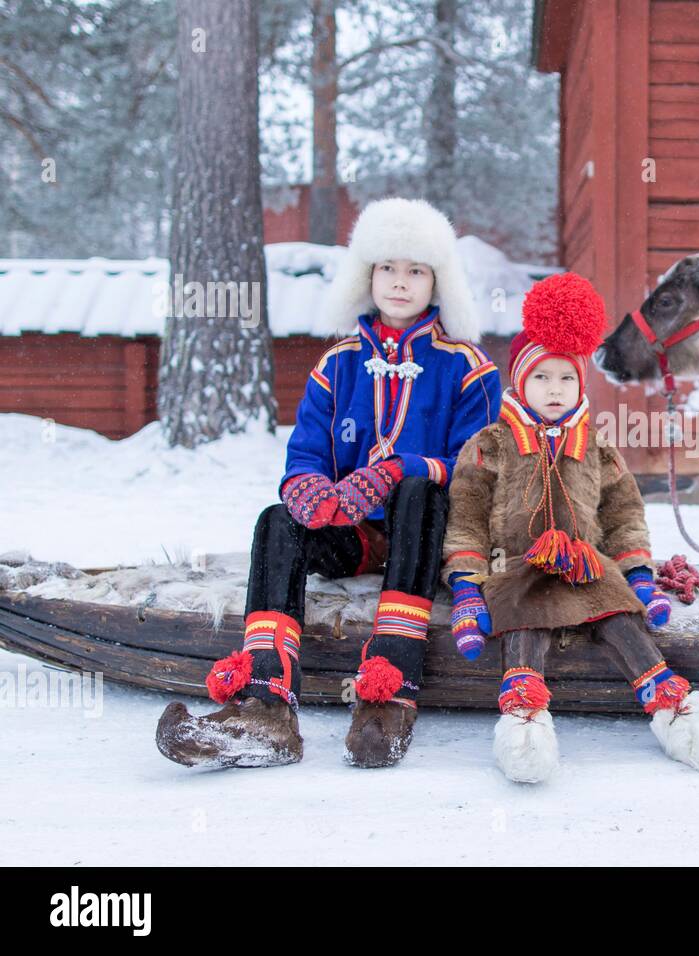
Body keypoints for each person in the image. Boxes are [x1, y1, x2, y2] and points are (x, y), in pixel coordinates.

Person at [155, 198, 501, 769]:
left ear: (438, 281)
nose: (400, 282)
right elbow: (304, 457)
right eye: (388, 267)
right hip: (357, 536)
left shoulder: (468, 366)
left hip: (435, 538)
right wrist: (308, 491)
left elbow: (479, 468)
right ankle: (266, 705)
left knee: (420, 492)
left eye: (416, 270)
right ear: (367, 275)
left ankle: (389, 691)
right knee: (275, 519)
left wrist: (399, 470)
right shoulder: (336, 364)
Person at [441, 271, 699, 783]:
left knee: (622, 620)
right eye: (541, 378)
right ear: (520, 382)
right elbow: (465, 519)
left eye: (566, 378)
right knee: (522, 621)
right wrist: (466, 589)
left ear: (580, 383)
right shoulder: (490, 444)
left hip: (586, 567)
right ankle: (525, 723)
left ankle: (675, 710)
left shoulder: (596, 446)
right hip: (518, 569)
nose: (555, 390)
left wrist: (639, 575)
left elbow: (622, 515)